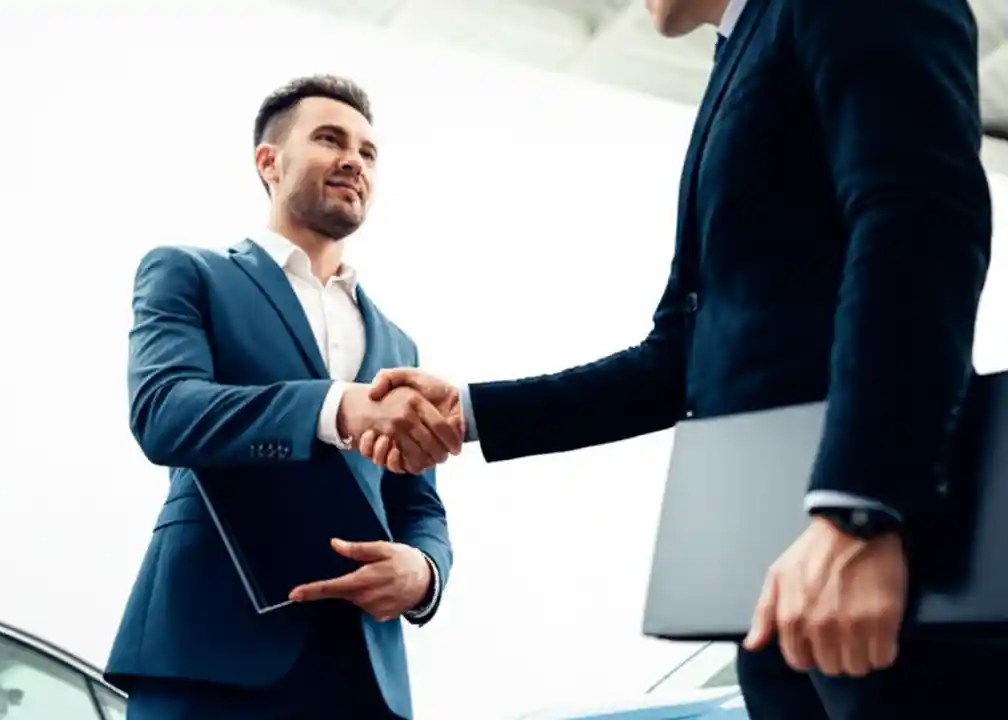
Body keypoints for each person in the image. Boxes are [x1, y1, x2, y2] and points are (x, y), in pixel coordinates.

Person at [357, 0, 999, 717]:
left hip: (869, 557)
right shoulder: (742, 54)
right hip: (768, 576)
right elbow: (681, 354)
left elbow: (919, 223)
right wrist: (470, 411)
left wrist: (862, 509)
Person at [103, 75, 460, 720]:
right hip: (207, 657)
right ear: (269, 162)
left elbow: (419, 502)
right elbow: (164, 412)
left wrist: (424, 575)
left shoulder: (400, 345)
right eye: (330, 139)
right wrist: (336, 406)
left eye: (369, 151)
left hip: (361, 677)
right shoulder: (189, 273)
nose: (355, 159)